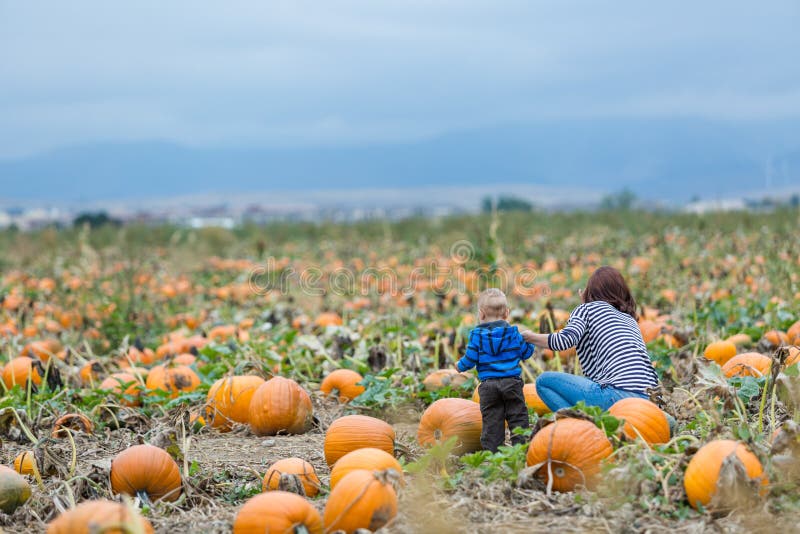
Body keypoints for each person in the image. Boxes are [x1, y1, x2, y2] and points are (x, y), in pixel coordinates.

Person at [521, 266, 659, 411]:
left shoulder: (586, 309)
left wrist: (530, 337)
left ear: (589, 292)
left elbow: (565, 340)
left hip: (616, 395)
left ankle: (583, 423)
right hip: (650, 402)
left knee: (544, 382)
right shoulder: (630, 320)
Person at [456, 288, 535, 452]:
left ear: (481, 314)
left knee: (492, 419)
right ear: (507, 313)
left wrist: (460, 366)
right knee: (518, 416)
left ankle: (493, 455)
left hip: (488, 386)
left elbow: (470, 359)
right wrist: (530, 342)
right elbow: (526, 353)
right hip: (512, 383)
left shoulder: (476, 336)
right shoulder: (514, 334)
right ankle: (521, 450)